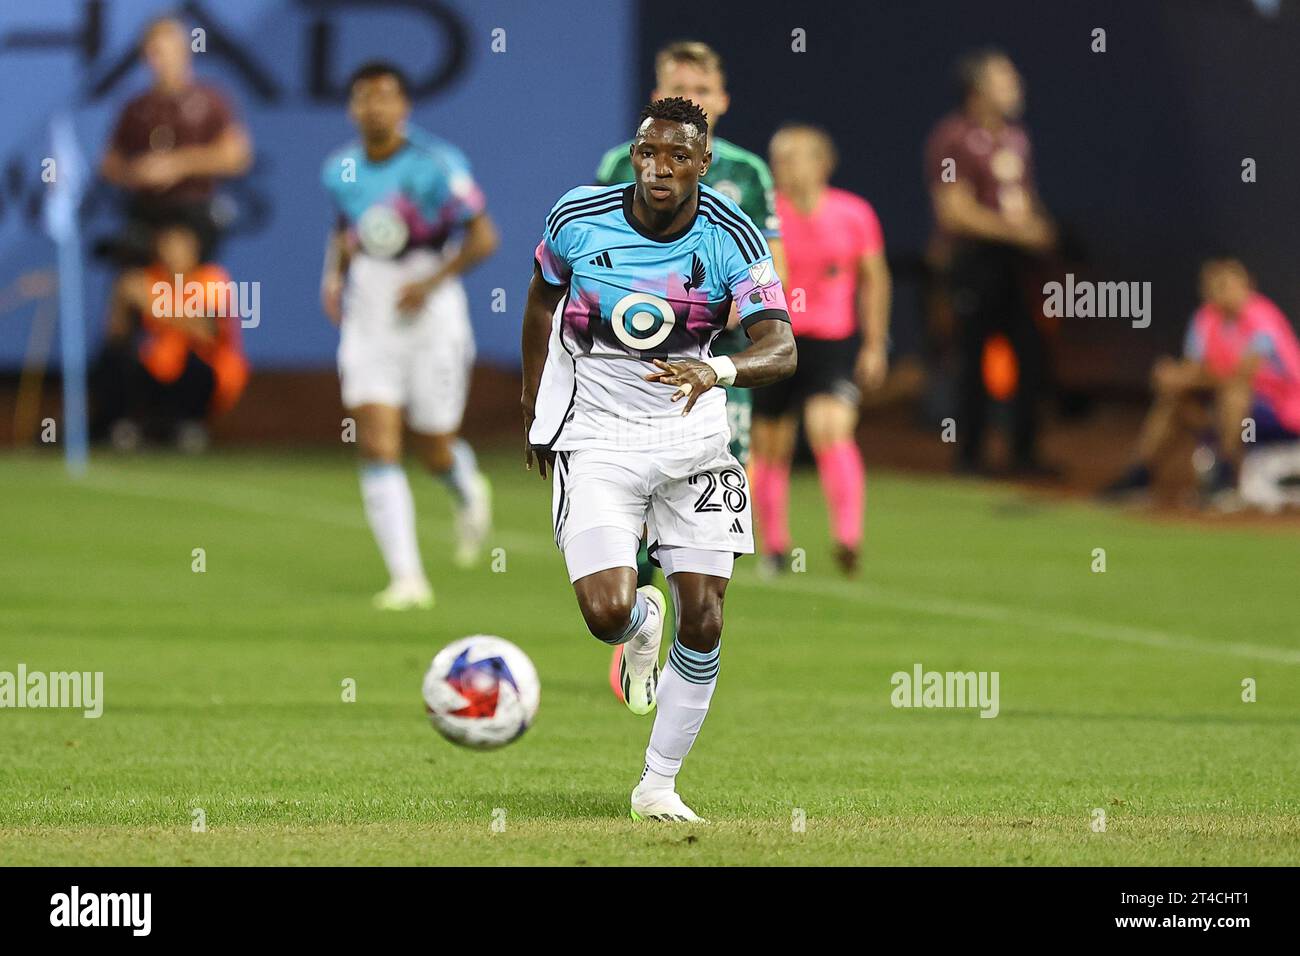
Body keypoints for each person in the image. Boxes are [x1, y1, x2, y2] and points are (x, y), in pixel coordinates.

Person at [521, 98, 796, 821]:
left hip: (692, 441)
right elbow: (541, 301)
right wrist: (533, 408)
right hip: (598, 437)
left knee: (703, 619)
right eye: (648, 153)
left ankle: (658, 785)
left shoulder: (730, 236)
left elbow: (781, 345)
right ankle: (639, 625)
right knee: (606, 612)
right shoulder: (578, 216)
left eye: (677, 156)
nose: (659, 168)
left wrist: (719, 371)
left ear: (704, 163)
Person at [594, 40, 784, 694]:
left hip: (721, 361)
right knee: (633, 491)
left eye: (702, 86)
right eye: (678, 84)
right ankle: (639, 616)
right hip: (633, 365)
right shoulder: (622, 163)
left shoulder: (749, 175)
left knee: (712, 498)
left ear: (722, 101)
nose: (692, 95)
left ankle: (688, 626)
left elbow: (769, 264)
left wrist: (729, 317)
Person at [320, 62, 499, 610]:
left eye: (385, 97)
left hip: (431, 309)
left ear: (404, 108)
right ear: (353, 107)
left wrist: (430, 282)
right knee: (376, 440)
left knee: (433, 446)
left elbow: (483, 238)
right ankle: (407, 579)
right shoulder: (340, 168)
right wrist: (332, 275)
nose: (374, 107)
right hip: (370, 309)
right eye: (364, 97)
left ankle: (464, 484)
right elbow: (347, 227)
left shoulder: (436, 166)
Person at [750, 124, 890, 576]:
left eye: (792, 157)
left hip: (831, 340)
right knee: (771, 443)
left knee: (829, 426)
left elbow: (875, 280)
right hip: (778, 338)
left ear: (822, 163)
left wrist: (873, 344)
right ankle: (775, 547)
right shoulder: (766, 217)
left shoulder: (854, 214)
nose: (781, 167)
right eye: (778, 158)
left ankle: (847, 538)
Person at [925, 49, 1056, 476]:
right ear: (979, 90)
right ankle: (970, 456)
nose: (1017, 84)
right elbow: (954, 211)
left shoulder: (1017, 137)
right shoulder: (953, 137)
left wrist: (1038, 228)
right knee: (972, 355)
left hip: (1015, 263)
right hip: (973, 261)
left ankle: (1024, 453)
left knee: (1030, 353)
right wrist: (1018, 231)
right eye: (1005, 78)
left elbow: (1023, 200)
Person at [1102, 257, 1300, 503]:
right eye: (1215, 285)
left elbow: (1243, 373)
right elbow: (1195, 367)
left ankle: (1227, 476)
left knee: (1235, 393)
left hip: (1283, 414)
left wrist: (1184, 378)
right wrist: (1177, 378)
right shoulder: (1205, 319)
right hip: (1230, 415)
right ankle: (1141, 473)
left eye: (1228, 283)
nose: (1222, 291)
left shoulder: (1261, 314)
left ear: (1247, 285)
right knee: (1175, 398)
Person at [100, 14, 252, 264]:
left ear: (183, 52)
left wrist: (179, 165)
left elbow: (237, 156)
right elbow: (109, 163)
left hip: (192, 211)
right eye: (150, 53)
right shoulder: (136, 107)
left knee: (175, 254)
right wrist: (135, 172)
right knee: (128, 284)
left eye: (162, 52)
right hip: (145, 211)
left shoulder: (210, 100)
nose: (156, 61)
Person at [90, 220, 250, 449]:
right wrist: (120, 301)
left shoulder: (210, 279)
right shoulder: (150, 277)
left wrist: (151, 302)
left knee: (195, 366)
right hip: (158, 369)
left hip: (203, 374)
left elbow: (205, 330)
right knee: (115, 359)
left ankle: (187, 425)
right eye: (165, 245)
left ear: (194, 248)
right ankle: (124, 425)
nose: (171, 253)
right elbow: (116, 335)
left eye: (178, 245)